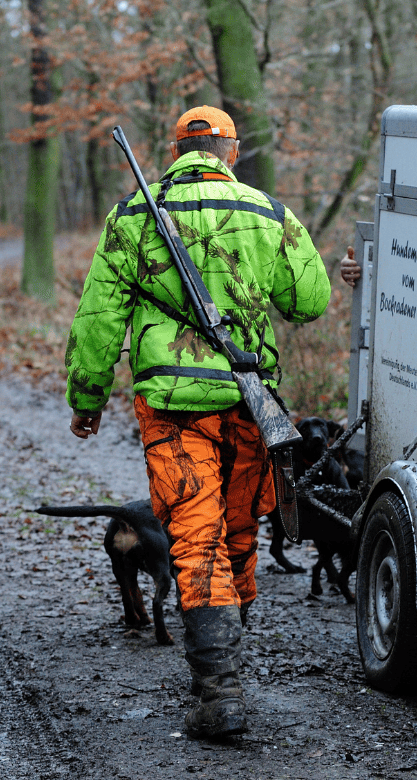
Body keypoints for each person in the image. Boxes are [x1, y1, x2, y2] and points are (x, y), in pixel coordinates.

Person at [64, 106, 332, 739]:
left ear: (178, 150)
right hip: (248, 402)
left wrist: (88, 396)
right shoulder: (268, 213)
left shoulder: (134, 214)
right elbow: (310, 301)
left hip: (173, 406)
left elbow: (99, 317)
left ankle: (218, 693)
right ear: (230, 153)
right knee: (237, 532)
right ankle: (225, 672)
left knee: (194, 534)